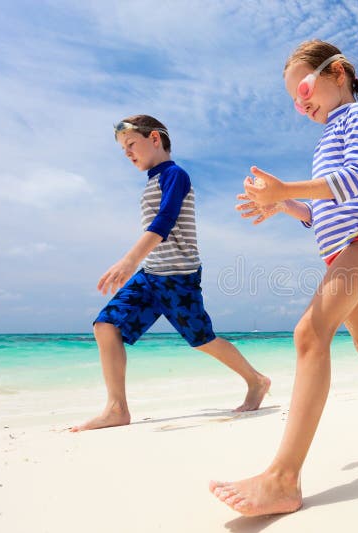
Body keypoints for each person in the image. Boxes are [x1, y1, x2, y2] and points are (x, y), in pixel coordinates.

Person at [210, 40, 358, 515]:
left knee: (309, 333)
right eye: (293, 99)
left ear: (337, 73)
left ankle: (283, 478)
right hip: (338, 253)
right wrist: (286, 204)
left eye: (304, 88)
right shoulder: (328, 136)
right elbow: (323, 206)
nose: (300, 102)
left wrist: (288, 187)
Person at [71, 115, 270, 432]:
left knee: (203, 340)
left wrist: (129, 260)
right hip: (151, 277)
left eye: (131, 144)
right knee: (105, 325)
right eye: (123, 149)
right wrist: (138, 265)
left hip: (179, 277)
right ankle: (116, 408)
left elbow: (164, 222)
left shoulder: (176, 175)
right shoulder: (151, 181)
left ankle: (257, 380)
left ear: (154, 139)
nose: (128, 153)